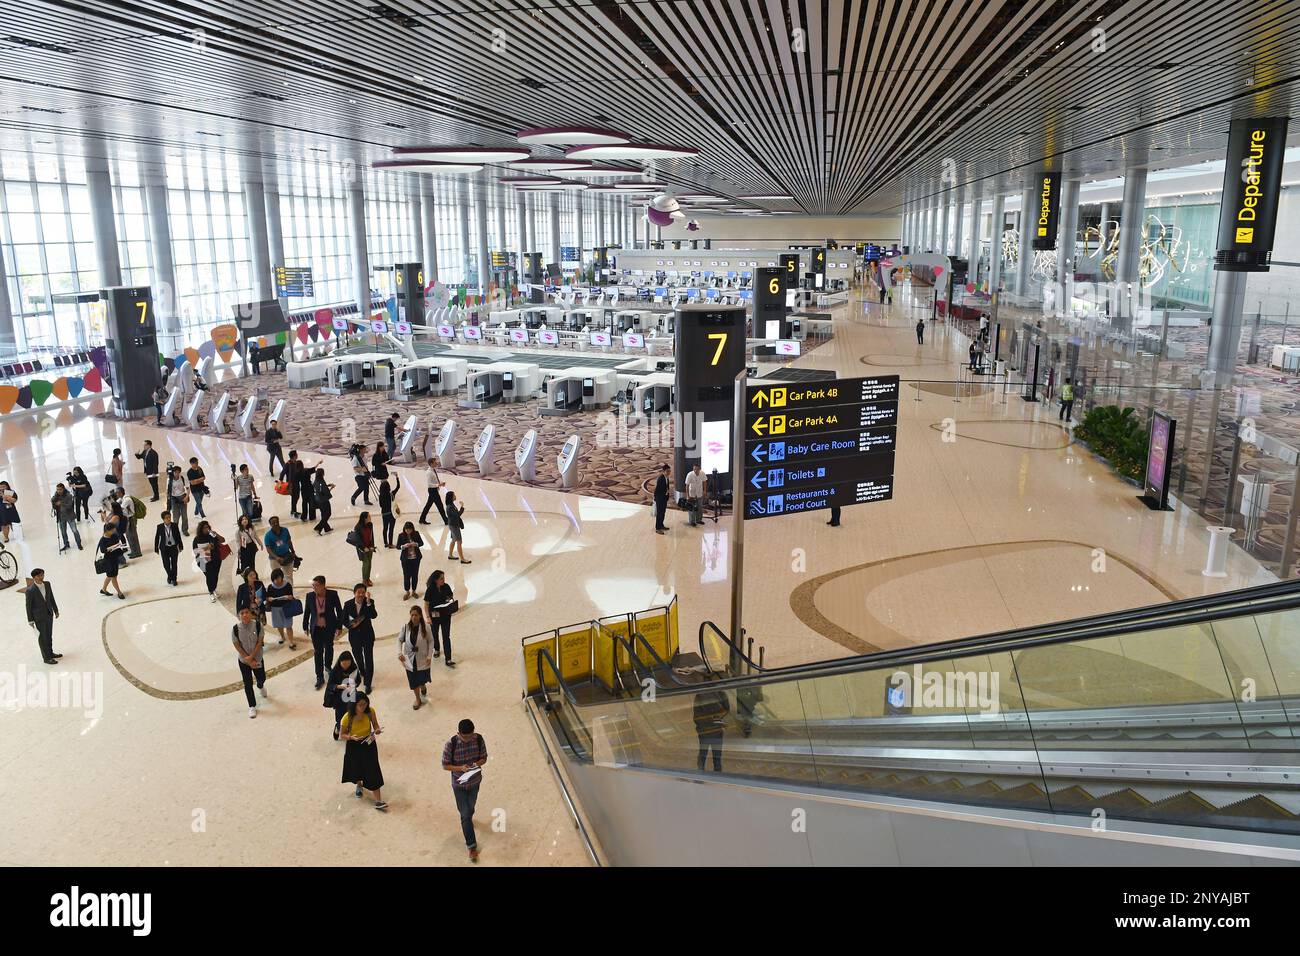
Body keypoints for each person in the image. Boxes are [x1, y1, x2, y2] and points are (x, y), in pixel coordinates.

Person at [441, 718, 488, 861]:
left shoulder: (478, 739)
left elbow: (484, 758)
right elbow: (445, 765)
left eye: (470, 736)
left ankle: (468, 818)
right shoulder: (451, 744)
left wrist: (476, 764)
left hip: (474, 781)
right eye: (464, 737)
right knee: (465, 814)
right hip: (459, 783)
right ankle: (471, 846)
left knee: (471, 807)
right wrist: (460, 768)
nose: (468, 739)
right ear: (458, 733)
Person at [340, 692, 386, 812]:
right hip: (353, 745)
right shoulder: (347, 717)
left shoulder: (370, 711)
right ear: (354, 705)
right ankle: (359, 784)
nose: (363, 707)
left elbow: (375, 724)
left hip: (368, 743)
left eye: (365, 704)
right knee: (357, 767)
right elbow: (342, 735)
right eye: (360, 705)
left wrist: (377, 730)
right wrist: (351, 737)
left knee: (373, 769)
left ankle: (378, 801)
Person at [302, 575, 343, 690]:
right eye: (313, 586)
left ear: (323, 585)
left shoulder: (333, 595)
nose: (314, 588)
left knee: (329, 647)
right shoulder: (310, 596)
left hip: (329, 627)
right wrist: (305, 625)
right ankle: (319, 676)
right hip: (316, 629)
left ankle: (328, 666)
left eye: (316, 586)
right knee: (318, 652)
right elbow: (307, 612)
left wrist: (339, 626)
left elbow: (339, 611)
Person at [232, 605, 267, 719]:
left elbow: (259, 641)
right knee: (247, 683)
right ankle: (252, 705)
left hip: (257, 657)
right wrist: (246, 658)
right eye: (242, 613)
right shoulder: (235, 629)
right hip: (244, 661)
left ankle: (260, 686)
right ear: (239, 616)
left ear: (250, 614)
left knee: (261, 677)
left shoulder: (257, 625)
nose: (245, 615)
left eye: (246, 612)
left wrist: (252, 656)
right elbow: (236, 645)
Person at [343, 583, 378, 694]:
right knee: (358, 657)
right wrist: (351, 625)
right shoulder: (348, 604)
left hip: (367, 635)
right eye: (359, 592)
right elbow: (343, 620)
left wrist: (368, 603)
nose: (361, 594)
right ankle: (363, 671)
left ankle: (368, 683)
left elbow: (374, 615)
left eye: (363, 592)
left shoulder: (369, 602)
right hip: (354, 636)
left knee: (368, 658)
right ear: (354, 593)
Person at [397, 605, 432, 709]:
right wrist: (399, 653)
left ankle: (422, 685)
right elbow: (399, 640)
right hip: (409, 659)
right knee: (413, 680)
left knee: (421, 678)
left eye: (416, 615)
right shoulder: (406, 627)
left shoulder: (426, 627)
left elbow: (431, 641)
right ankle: (417, 698)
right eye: (412, 615)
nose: (414, 617)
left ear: (420, 616)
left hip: (422, 658)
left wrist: (429, 656)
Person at [25, 568, 60, 665]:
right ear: (34, 577)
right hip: (39, 617)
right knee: (42, 637)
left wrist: (55, 610)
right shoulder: (30, 590)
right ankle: (46, 658)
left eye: (43, 575)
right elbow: (28, 606)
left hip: (49, 614)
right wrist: (30, 621)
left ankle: (51, 653)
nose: (42, 577)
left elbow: (51, 597)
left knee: (49, 635)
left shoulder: (47, 584)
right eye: (40, 575)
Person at [423, 569, 457, 667]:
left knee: (446, 636)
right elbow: (426, 604)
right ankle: (437, 649)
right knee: (435, 635)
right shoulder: (430, 589)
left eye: (444, 578)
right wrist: (428, 617)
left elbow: (450, 597)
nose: (443, 580)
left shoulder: (446, 587)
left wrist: (449, 600)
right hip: (434, 616)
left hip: (445, 615)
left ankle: (448, 659)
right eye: (441, 578)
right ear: (436, 580)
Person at [324, 651, 359, 740]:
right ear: (340, 662)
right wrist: (339, 686)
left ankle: (348, 732)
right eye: (343, 664)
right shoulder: (335, 671)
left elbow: (358, 680)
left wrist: (354, 684)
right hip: (339, 699)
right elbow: (330, 685)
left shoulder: (354, 669)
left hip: (351, 696)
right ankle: (338, 728)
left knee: (351, 714)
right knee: (340, 718)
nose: (346, 666)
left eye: (348, 664)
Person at [693, 687, 729, 772]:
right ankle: (717, 774)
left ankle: (700, 773)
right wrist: (717, 720)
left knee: (703, 753)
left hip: (704, 729)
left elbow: (697, 716)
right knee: (717, 756)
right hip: (716, 729)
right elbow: (726, 709)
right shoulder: (721, 693)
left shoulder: (700, 694)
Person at [192, 520, 226, 602]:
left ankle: (213, 588)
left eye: (207, 527)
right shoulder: (197, 539)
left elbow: (223, 540)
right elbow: (195, 551)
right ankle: (211, 592)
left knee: (215, 575)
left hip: (215, 558)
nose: (206, 529)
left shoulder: (212, 535)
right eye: (204, 528)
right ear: (201, 529)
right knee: (209, 576)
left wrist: (216, 534)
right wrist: (207, 548)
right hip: (204, 560)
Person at [95, 522, 127, 599]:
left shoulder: (114, 536)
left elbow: (117, 543)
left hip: (115, 558)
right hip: (109, 560)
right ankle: (119, 592)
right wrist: (111, 547)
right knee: (113, 577)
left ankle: (103, 589)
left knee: (109, 576)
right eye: (112, 530)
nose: (114, 531)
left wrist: (119, 546)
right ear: (107, 531)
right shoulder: (103, 540)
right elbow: (103, 550)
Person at [263, 515, 296, 583]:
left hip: (286, 555)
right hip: (274, 559)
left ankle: (290, 590)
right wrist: (277, 558)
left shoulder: (285, 530)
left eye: (277, 522)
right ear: (270, 524)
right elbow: (268, 549)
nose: (276, 524)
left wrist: (293, 551)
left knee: (289, 576)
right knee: (276, 576)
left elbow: (289, 541)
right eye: (273, 523)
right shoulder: (268, 535)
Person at [153, 509, 182, 586]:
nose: (168, 519)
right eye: (166, 518)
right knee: (166, 564)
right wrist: (156, 548)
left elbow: (178, 536)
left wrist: (181, 546)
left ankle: (174, 579)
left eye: (169, 517)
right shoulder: (159, 527)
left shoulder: (175, 525)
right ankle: (170, 576)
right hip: (164, 548)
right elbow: (157, 538)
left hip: (173, 548)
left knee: (174, 564)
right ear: (163, 519)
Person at [50, 483, 81, 553]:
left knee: (75, 530)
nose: (58, 491)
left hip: (70, 516)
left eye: (60, 489)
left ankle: (79, 543)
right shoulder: (56, 496)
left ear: (63, 489)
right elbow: (54, 507)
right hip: (61, 517)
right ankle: (66, 544)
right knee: (63, 532)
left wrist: (61, 503)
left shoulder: (69, 495)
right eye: (57, 489)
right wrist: (53, 501)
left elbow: (69, 506)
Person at [397, 522, 424, 600]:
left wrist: (416, 544)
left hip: (416, 558)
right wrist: (404, 546)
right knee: (406, 576)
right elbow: (398, 546)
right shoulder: (401, 535)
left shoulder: (416, 534)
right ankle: (407, 591)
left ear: (412, 529)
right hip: (406, 559)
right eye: (406, 530)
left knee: (415, 575)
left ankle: (414, 591)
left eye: (409, 530)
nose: (408, 531)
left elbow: (421, 543)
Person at [419, 458, 447, 525]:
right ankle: (446, 521)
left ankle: (421, 519)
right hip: (432, 491)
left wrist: (440, 483)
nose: (436, 463)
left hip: (434, 490)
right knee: (440, 506)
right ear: (431, 463)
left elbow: (435, 479)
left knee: (428, 505)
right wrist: (438, 485)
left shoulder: (433, 470)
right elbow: (429, 484)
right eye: (435, 462)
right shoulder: (429, 472)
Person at [351, 512, 377, 586]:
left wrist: (372, 545)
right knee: (366, 563)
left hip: (369, 547)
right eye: (369, 516)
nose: (370, 517)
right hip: (362, 548)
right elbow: (358, 539)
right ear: (365, 518)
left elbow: (372, 536)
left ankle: (368, 578)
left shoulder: (370, 525)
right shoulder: (358, 527)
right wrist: (363, 547)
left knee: (369, 563)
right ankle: (364, 579)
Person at [444, 491, 469, 564]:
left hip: (453, 525)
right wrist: (462, 507)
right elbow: (457, 515)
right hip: (454, 526)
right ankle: (462, 559)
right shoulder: (450, 507)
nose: (455, 496)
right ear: (451, 497)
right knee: (459, 541)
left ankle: (450, 555)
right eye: (454, 495)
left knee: (454, 540)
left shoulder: (451, 505)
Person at [165, 465, 190, 536]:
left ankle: (185, 530)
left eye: (178, 472)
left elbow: (188, 488)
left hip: (182, 497)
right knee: (175, 517)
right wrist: (168, 499)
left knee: (184, 515)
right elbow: (167, 491)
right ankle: (175, 531)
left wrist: (186, 497)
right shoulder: (169, 480)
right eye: (175, 472)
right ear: (173, 472)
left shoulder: (182, 478)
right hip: (173, 498)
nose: (177, 474)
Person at [235, 513, 260, 577]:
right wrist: (239, 550)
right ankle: (246, 575)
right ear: (240, 521)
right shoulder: (238, 531)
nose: (244, 520)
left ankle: (253, 575)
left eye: (246, 519)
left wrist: (260, 544)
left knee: (252, 562)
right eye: (243, 519)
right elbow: (237, 541)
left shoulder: (252, 527)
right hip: (243, 548)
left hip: (251, 546)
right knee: (245, 563)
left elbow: (256, 536)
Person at [377, 474, 398, 549]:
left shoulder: (380, 496)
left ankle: (385, 543)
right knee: (391, 529)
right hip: (391, 513)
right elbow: (398, 487)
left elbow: (380, 505)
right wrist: (397, 477)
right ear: (388, 487)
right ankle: (391, 544)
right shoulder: (391, 494)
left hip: (384, 514)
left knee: (385, 528)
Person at [312, 468, 335, 535]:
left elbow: (318, 488)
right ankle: (318, 527)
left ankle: (327, 528)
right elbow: (325, 492)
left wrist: (327, 485)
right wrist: (331, 488)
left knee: (323, 514)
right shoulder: (321, 481)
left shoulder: (316, 481)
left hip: (318, 500)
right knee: (328, 514)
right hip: (324, 501)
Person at [653, 464, 670, 534]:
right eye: (667, 471)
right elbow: (657, 490)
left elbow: (667, 488)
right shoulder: (661, 479)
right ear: (663, 471)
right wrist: (656, 499)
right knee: (659, 513)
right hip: (660, 499)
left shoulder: (667, 477)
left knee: (663, 512)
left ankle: (661, 525)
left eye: (669, 471)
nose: (669, 472)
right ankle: (657, 528)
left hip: (664, 498)